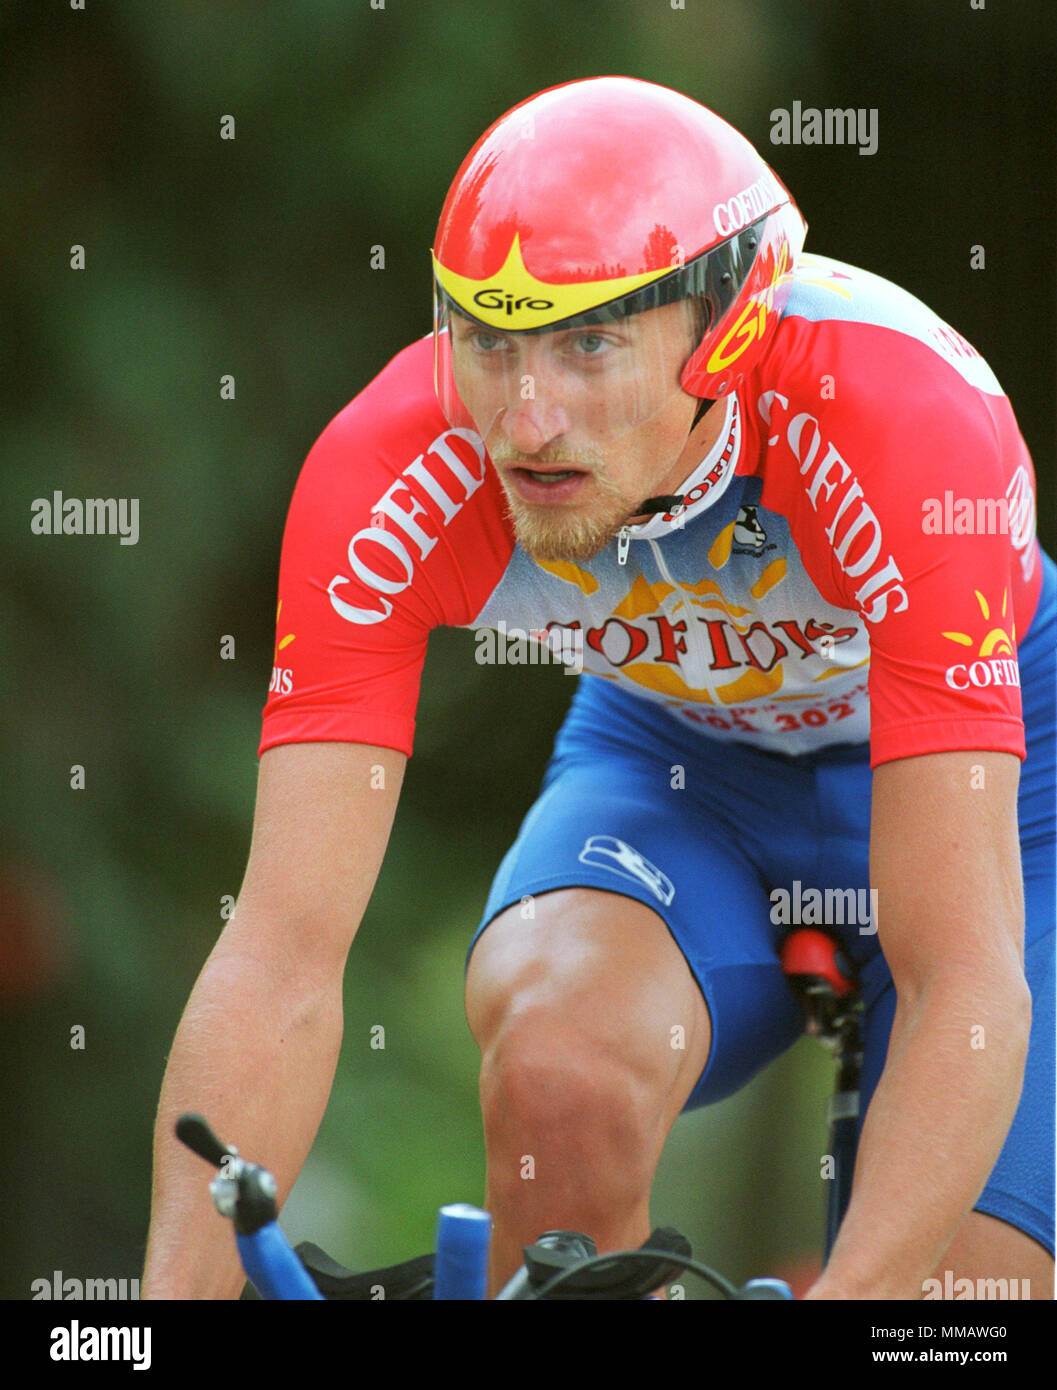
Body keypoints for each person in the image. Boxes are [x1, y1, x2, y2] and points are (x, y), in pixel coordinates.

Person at [143, 76, 1054, 1300]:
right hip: (684, 762)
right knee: (556, 1077)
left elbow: (967, 975)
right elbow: (280, 955)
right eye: (490, 338)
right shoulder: (391, 467)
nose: (525, 417)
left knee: (962, 1295)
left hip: (1009, 779)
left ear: (724, 328)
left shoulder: (902, 424)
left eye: (589, 344)